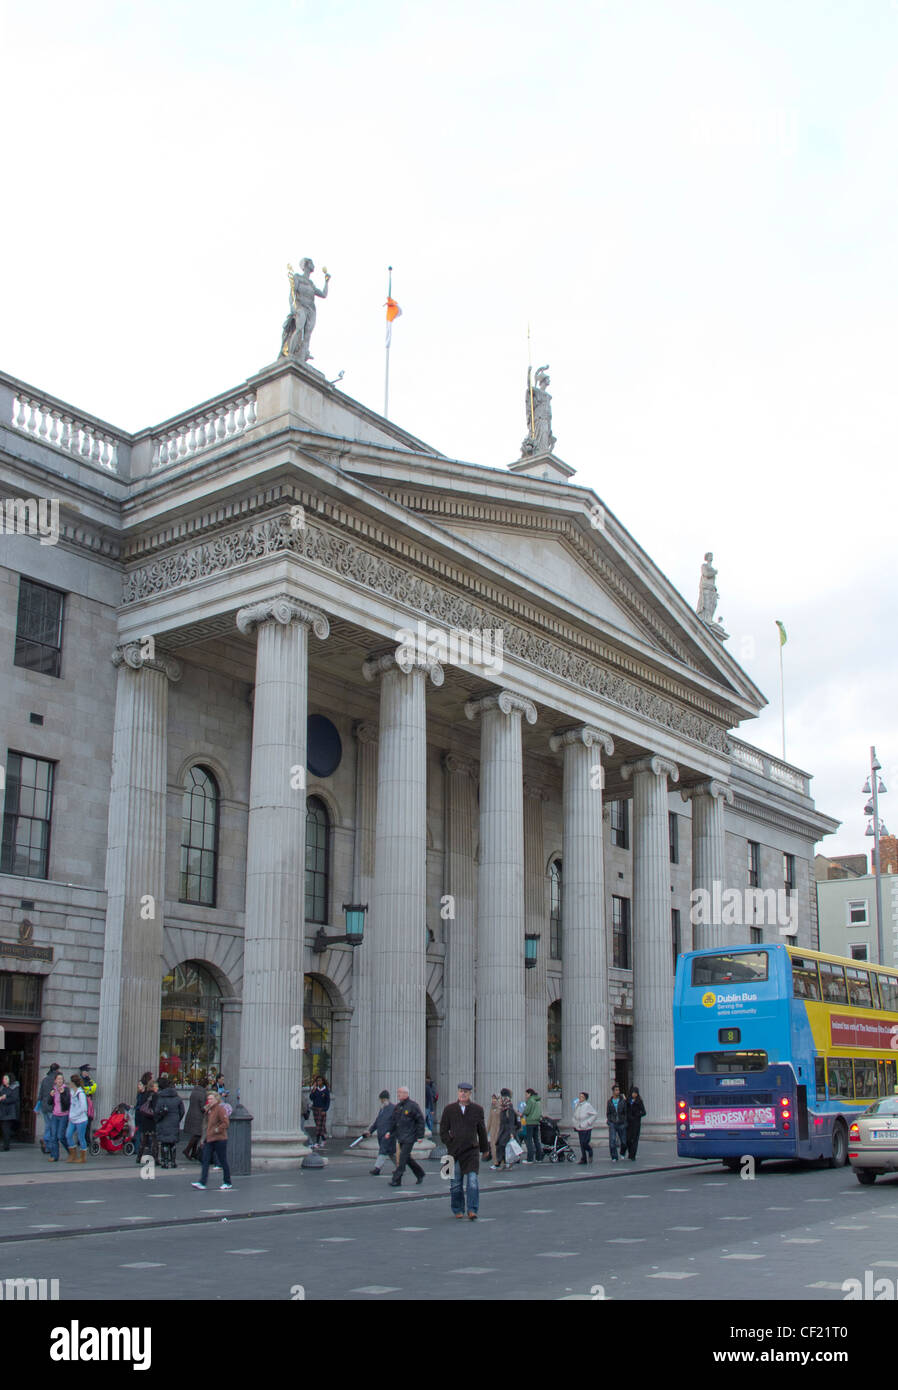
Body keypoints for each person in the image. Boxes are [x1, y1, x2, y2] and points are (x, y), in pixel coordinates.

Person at [439, 1083, 491, 1220]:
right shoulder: (449, 1109)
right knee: (455, 1183)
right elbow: (443, 1130)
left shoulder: (477, 1110)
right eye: (461, 1091)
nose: (463, 1094)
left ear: (470, 1094)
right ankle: (457, 1209)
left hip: (471, 1151)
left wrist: (485, 1149)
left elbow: (482, 1131)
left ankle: (472, 1209)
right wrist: (450, 1142)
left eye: (466, 1092)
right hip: (453, 1152)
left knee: (472, 1180)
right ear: (458, 1093)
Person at [280, 259, 330, 362]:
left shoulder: (311, 283)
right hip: (300, 306)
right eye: (312, 263)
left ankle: (302, 358)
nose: (314, 266)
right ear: (306, 265)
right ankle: (290, 355)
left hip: (311, 309)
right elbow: (292, 293)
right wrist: (293, 306)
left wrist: (326, 282)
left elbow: (323, 294)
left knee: (307, 334)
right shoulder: (297, 277)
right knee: (299, 328)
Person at [192, 1091, 233, 1191]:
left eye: (211, 1099)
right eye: (208, 1099)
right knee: (205, 1160)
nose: (209, 1101)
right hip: (209, 1138)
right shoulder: (209, 1110)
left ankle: (227, 1182)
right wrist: (203, 1138)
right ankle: (202, 1182)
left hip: (219, 1139)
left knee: (222, 1161)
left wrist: (217, 1129)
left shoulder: (220, 1109)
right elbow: (206, 1126)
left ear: (216, 1099)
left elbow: (226, 1123)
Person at [386, 1086, 426, 1187]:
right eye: (398, 1092)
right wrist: (389, 1132)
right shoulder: (398, 1106)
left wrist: (420, 1136)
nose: (398, 1094)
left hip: (410, 1136)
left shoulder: (413, 1106)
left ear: (406, 1094)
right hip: (401, 1136)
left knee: (402, 1158)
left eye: (400, 1092)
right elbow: (394, 1121)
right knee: (407, 1158)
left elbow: (420, 1121)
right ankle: (420, 1173)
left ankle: (396, 1179)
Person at [154, 1074, 185, 1168]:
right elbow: (182, 1111)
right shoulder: (177, 1098)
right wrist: (177, 1119)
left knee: (164, 1143)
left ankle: (165, 1162)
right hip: (174, 1122)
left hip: (163, 1122)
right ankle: (173, 1161)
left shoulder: (161, 1097)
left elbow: (156, 1111)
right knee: (173, 1143)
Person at [365, 1090, 397, 1176]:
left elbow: (396, 1122)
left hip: (388, 1135)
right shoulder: (382, 1109)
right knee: (391, 1153)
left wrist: (392, 1132)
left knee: (382, 1151)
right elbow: (377, 1121)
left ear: (385, 1099)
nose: (381, 1101)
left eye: (382, 1099)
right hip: (382, 1134)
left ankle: (377, 1168)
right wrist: (370, 1131)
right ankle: (400, 1167)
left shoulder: (393, 1108)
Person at [46, 1071, 71, 1162]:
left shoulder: (66, 1089)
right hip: (55, 1115)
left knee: (61, 1136)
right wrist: (51, 1095)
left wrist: (62, 1094)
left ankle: (71, 1151)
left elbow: (67, 1103)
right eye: (58, 1079)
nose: (60, 1080)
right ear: (55, 1081)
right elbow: (49, 1103)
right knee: (53, 1136)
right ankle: (54, 1156)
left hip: (64, 1115)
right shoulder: (53, 1089)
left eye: (61, 1079)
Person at [134, 1073, 158, 1165]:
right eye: (156, 1086)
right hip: (151, 1119)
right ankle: (155, 1158)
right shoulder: (155, 1096)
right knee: (154, 1140)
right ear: (153, 1087)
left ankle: (139, 1157)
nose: (157, 1088)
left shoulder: (145, 1094)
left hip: (145, 1119)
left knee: (144, 1140)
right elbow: (155, 1108)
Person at [182, 1078, 207, 1161]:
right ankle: (187, 1150)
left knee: (196, 1134)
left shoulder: (194, 1091)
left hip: (191, 1114)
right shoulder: (202, 1093)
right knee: (197, 1134)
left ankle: (193, 1152)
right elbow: (202, 1107)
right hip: (198, 1116)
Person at [37, 1062, 60, 1153]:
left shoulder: (45, 1079)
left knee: (47, 1125)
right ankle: (48, 1144)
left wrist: (39, 1105)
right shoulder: (56, 1080)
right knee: (52, 1127)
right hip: (52, 1106)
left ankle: (46, 1142)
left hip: (44, 1106)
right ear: (57, 1070)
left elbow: (40, 1094)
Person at [66, 1074, 89, 1163]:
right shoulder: (72, 1092)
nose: (70, 1084)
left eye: (71, 1082)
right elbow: (72, 1105)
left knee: (81, 1137)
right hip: (73, 1119)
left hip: (81, 1119)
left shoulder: (81, 1094)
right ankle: (73, 1154)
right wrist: (71, 1115)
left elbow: (84, 1108)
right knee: (68, 1135)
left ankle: (83, 1157)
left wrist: (75, 1114)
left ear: (73, 1083)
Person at [491, 1089, 517, 1170]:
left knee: (503, 1144)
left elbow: (511, 1120)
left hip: (508, 1129)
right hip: (502, 1129)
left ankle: (503, 1162)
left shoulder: (509, 1106)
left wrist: (512, 1132)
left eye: (503, 1097)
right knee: (499, 1144)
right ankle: (504, 1162)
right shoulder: (503, 1106)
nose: (501, 1099)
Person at [572, 1091, 599, 1164]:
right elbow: (575, 1115)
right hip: (579, 1127)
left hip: (587, 1127)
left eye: (582, 1097)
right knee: (581, 1143)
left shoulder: (587, 1105)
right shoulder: (577, 1105)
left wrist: (588, 1122)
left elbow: (595, 1114)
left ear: (585, 1098)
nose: (580, 1098)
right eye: (579, 1096)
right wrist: (575, 1123)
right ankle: (583, 1158)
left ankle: (590, 1151)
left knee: (585, 1142)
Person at [521, 1088, 544, 1163]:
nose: (526, 1096)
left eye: (526, 1094)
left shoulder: (530, 1100)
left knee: (529, 1140)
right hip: (536, 1122)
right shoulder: (538, 1100)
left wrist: (523, 1112)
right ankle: (539, 1157)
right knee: (536, 1140)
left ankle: (530, 1158)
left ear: (529, 1094)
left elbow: (527, 1111)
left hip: (530, 1122)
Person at [606, 1083, 628, 1161]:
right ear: (613, 1091)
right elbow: (608, 1113)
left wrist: (625, 1121)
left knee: (624, 1141)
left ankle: (622, 1153)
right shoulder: (610, 1101)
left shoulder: (623, 1101)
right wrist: (609, 1121)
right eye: (616, 1090)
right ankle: (614, 1156)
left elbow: (626, 1112)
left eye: (618, 1090)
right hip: (613, 1123)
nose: (617, 1091)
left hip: (621, 1123)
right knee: (612, 1140)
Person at [309, 1075, 330, 1149]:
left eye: (320, 1081)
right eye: (317, 1081)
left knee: (319, 1126)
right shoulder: (316, 1090)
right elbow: (311, 1097)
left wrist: (325, 1110)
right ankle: (323, 1139)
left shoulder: (325, 1090)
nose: (318, 1082)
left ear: (323, 1081)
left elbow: (328, 1101)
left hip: (322, 1110)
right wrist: (313, 1090)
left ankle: (317, 1142)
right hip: (315, 1109)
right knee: (318, 1125)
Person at [0, 1074, 20, 1151]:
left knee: (6, 1128)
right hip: (2, 1111)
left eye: (6, 1078)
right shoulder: (2, 1088)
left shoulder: (14, 1088)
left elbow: (14, 1099)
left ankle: (6, 1146)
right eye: (3, 1078)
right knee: (4, 1128)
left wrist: (3, 1099)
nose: (4, 1080)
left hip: (9, 1111)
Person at [626, 1086, 646, 1161]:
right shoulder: (628, 1101)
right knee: (628, 1139)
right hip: (628, 1122)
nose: (634, 1094)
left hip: (636, 1123)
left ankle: (632, 1155)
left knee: (634, 1139)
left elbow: (644, 1112)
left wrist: (637, 1115)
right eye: (633, 1093)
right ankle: (630, 1151)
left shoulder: (639, 1101)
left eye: (635, 1093)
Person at [79, 1064, 97, 1147]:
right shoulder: (79, 1080)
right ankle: (81, 1139)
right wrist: (88, 1090)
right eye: (86, 1071)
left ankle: (87, 1139)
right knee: (81, 1123)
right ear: (82, 1072)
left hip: (88, 1104)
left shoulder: (90, 1080)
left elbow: (94, 1088)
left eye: (87, 1072)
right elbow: (83, 1090)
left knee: (88, 1123)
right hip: (81, 1104)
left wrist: (88, 1090)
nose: (87, 1073)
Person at [486, 1094, 500, 1165]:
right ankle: (495, 1162)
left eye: (495, 1100)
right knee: (493, 1146)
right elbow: (489, 1120)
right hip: (492, 1130)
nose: (493, 1101)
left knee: (498, 1146)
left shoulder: (500, 1108)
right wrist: (486, 1132)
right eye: (492, 1100)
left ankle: (500, 1161)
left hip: (499, 1130)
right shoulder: (492, 1108)